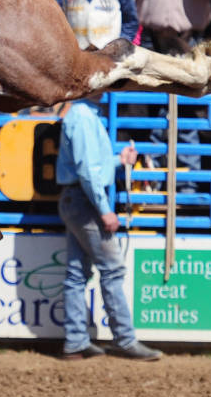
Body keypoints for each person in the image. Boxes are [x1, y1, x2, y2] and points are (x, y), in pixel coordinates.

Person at [56, 96, 162, 361]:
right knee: (112, 269)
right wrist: (104, 209)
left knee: (76, 273)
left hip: (75, 198)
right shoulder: (83, 116)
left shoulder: (81, 114)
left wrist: (118, 160)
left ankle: (76, 341)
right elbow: (89, 172)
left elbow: (90, 167)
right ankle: (124, 339)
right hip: (85, 201)